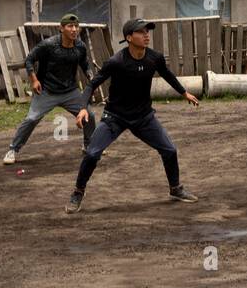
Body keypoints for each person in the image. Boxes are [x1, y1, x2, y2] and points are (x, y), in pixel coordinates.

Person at [69, 18, 200, 214]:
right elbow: (91, 85)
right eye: (141, 32)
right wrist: (82, 108)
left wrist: (184, 93)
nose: (146, 35)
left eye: (147, 31)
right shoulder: (116, 62)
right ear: (129, 38)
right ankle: (78, 192)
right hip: (115, 116)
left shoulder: (154, 58)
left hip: (143, 117)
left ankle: (175, 189)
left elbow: (167, 75)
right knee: (92, 153)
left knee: (170, 150)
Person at [3, 13, 95, 163]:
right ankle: (13, 150)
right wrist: (34, 80)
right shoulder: (48, 45)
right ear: (61, 28)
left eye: (76, 26)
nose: (74, 30)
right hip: (47, 91)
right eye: (70, 26)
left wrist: (92, 79)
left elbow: (85, 65)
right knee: (31, 119)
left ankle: (88, 145)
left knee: (89, 115)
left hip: (70, 91)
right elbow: (29, 60)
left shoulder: (80, 46)